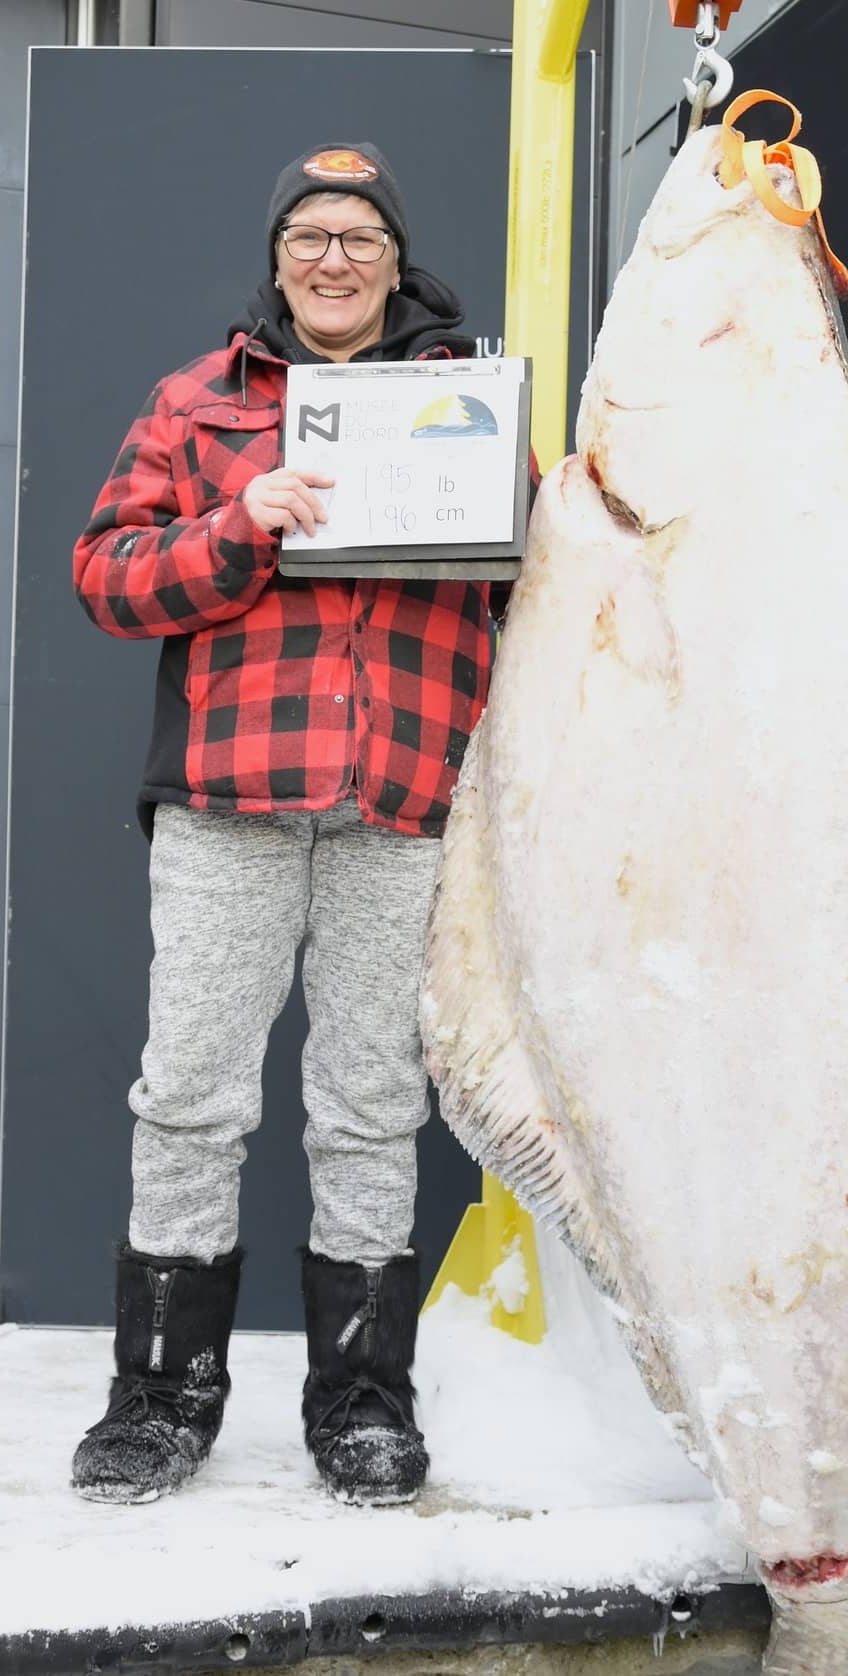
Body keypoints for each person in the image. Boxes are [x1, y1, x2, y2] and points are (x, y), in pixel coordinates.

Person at [68, 142, 504, 1508]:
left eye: (361, 236)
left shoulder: (470, 401)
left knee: (373, 1108)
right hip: (228, 806)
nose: (334, 258)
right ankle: (161, 1395)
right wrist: (236, 522)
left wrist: (549, 507)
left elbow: (536, 590)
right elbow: (106, 576)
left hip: (404, 808)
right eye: (310, 233)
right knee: (191, 1097)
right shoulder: (196, 402)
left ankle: (363, 1401)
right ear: (277, 255)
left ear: (397, 260)